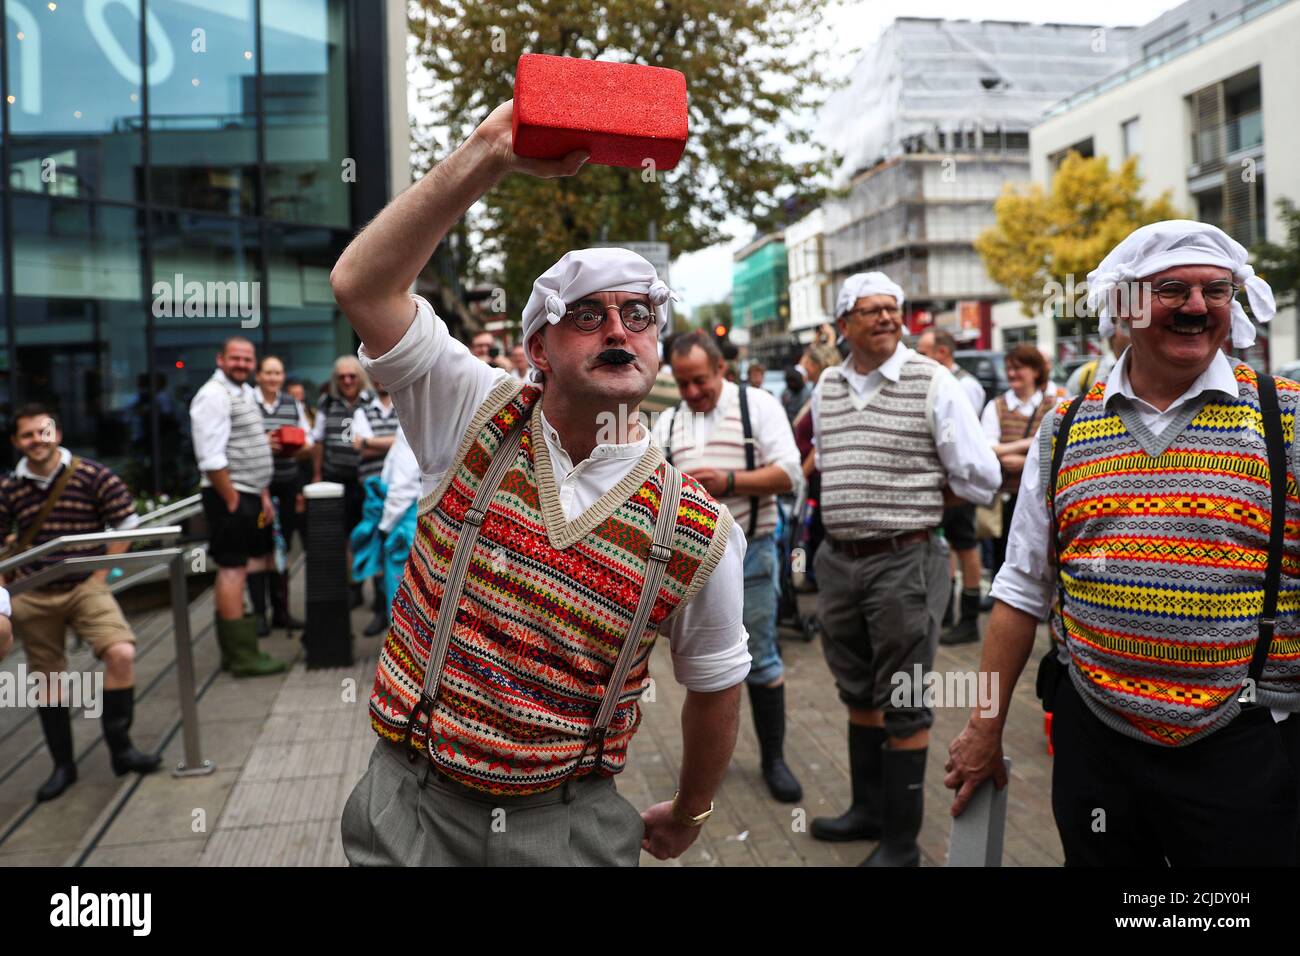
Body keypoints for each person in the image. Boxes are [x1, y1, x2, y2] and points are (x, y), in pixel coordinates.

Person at [330, 99, 750, 866]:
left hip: (568, 825)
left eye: (638, 315)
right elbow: (363, 284)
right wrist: (488, 150)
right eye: (587, 315)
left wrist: (692, 810)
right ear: (538, 349)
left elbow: (717, 683)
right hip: (411, 805)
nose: (619, 331)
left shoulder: (699, 532)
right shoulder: (472, 410)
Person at [945, 220, 1299, 866]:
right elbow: (1021, 590)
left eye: (1215, 290)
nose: (1196, 307)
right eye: (1172, 289)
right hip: (1096, 742)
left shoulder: (1286, 419)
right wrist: (984, 726)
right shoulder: (1066, 429)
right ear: (1126, 305)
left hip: (1243, 745)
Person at [808, 272, 1000, 866]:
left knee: (906, 697)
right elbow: (828, 467)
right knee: (856, 688)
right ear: (845, 325)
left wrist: (918, 504)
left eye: (893, 308)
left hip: (905, 561)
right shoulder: (827, 387)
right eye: (871, 310)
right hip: (839, 561)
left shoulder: (932, 380)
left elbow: (982, 476)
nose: (888, 318)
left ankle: (901, 845)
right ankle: (868, 811)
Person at [656, 330, 804, 803]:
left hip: (752, 555)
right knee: (702, 668)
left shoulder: (756, 405)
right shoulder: (670, 421)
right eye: (683, 384)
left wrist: (730, 480)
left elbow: (790, 475)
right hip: (691, 566)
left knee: (760, 658)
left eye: (700, 380)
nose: (692, 393)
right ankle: (706, 767)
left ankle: (774, 759)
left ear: (721, 368)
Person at [0, 405, 162, 800]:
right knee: (48, 679)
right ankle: (63, 766)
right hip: (33, 591)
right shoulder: (8, 488)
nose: (37, 441)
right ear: (16, 442)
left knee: (121, 652)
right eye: (27, 435)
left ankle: (121, 749)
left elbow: (126, 522)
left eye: (44, 431)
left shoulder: (91, 474)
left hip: (86, 586)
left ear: (56, 432)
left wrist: (102, 575)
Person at [191, 337, 286, 677]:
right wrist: (232, 500)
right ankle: (242, 657)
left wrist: (260, 493)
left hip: (248, 493)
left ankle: (239, 652)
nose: (243, 364)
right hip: (228, 497)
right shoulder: (213, 395)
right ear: (221, 359)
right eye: (236, 358)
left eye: (248, 359)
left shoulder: (242, 392)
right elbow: (211, 458)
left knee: (242, 568)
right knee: (232, 571)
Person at [916, 328, 989, 645]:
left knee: (965, 544)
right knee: (944, 546)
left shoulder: (965, 385)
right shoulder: (935, 380)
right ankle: (944, 611)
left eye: (923, 351)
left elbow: (963, 438)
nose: (918, 358)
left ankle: (969, 617)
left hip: (958, 483)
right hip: (939, 482)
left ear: (942, 352)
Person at [981, 345, 1057, 579]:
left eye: (1018, 368)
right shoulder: (997, 406)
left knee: (1041, 552)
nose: (1012, 374)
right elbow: (987, 448)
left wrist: (1024, 460)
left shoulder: (1055, 406)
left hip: (1043, 498)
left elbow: (1061, 450)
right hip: (1005, 497)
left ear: (1035, 371)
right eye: (1008, 369)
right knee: (1003, 550)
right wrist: (1031, 443)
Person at [252, 355, 310, 634]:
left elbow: (307, 439)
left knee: (283, 547)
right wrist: (264, 442)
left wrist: (294, 442)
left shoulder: (292, 404)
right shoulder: (248, 402)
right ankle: (259, 614)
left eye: (278, 372)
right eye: (268, 372)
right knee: (259, 548)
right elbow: (239, 439)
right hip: (257, 484)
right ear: (259, 376)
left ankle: (282, 611)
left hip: (287, 481)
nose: (273, 378)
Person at [311, 357, 371, 609]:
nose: (347, 381)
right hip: (336, 478)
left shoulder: (370, 402)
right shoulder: (327, 403)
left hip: (366, 478)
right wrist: (316, 474)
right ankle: (352, 587)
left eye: (352, 376)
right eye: (342, 377)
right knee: (344, 535)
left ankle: (372, 589)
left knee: (365, 533)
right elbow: (318, 440)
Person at [351, 384, 400, 636]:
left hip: (402, 490)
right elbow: (356, 445)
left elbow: (409, 442)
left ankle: (399, 612)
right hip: (372, 493)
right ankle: (381, 611)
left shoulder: (405, 403)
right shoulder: (361, 411)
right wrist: (393, 442)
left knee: (398, 552)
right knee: (375, 547)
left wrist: (370, 442)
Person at [1066, 326, 1132, 397]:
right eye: (1125, 326)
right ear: (1110, 330)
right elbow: (1067, 405)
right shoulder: (1085, 374)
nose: (1133, 332)